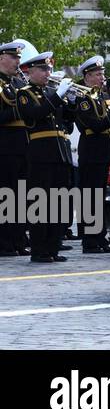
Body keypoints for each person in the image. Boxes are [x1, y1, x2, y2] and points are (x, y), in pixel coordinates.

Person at [16, 51, 74, 263]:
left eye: (49, 69)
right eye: (43, 69)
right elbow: (34, 114)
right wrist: (58, 96)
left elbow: (67, 121)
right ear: (30, 71)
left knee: (59, 203)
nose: (47, 73)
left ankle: (53, 248)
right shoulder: (24, 93)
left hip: (60, 152)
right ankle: (39, 250)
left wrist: (71, 103)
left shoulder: (51, 91)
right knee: (41, 203)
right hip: (40, 153)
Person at [70, 56, 110, 253]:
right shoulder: (83, 99)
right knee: (91, 196)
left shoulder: (102, 96)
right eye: (98, 74)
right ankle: (89, 239)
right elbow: (94, 125)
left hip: (107, 149)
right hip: (92, 149)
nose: (102, 77)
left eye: (102, 73)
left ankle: (100, 237)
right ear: (87, 76)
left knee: (103, 196)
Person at [0, 40, 31, 256]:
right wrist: (21, 110)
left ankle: (19, 239)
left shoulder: (18, 84)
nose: (17, 62)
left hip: (23, 147)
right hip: (5, 148)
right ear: (1, 58)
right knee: (6, 197)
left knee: (22, 197)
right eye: (14, 57)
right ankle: (4, 243)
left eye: (19, 58)